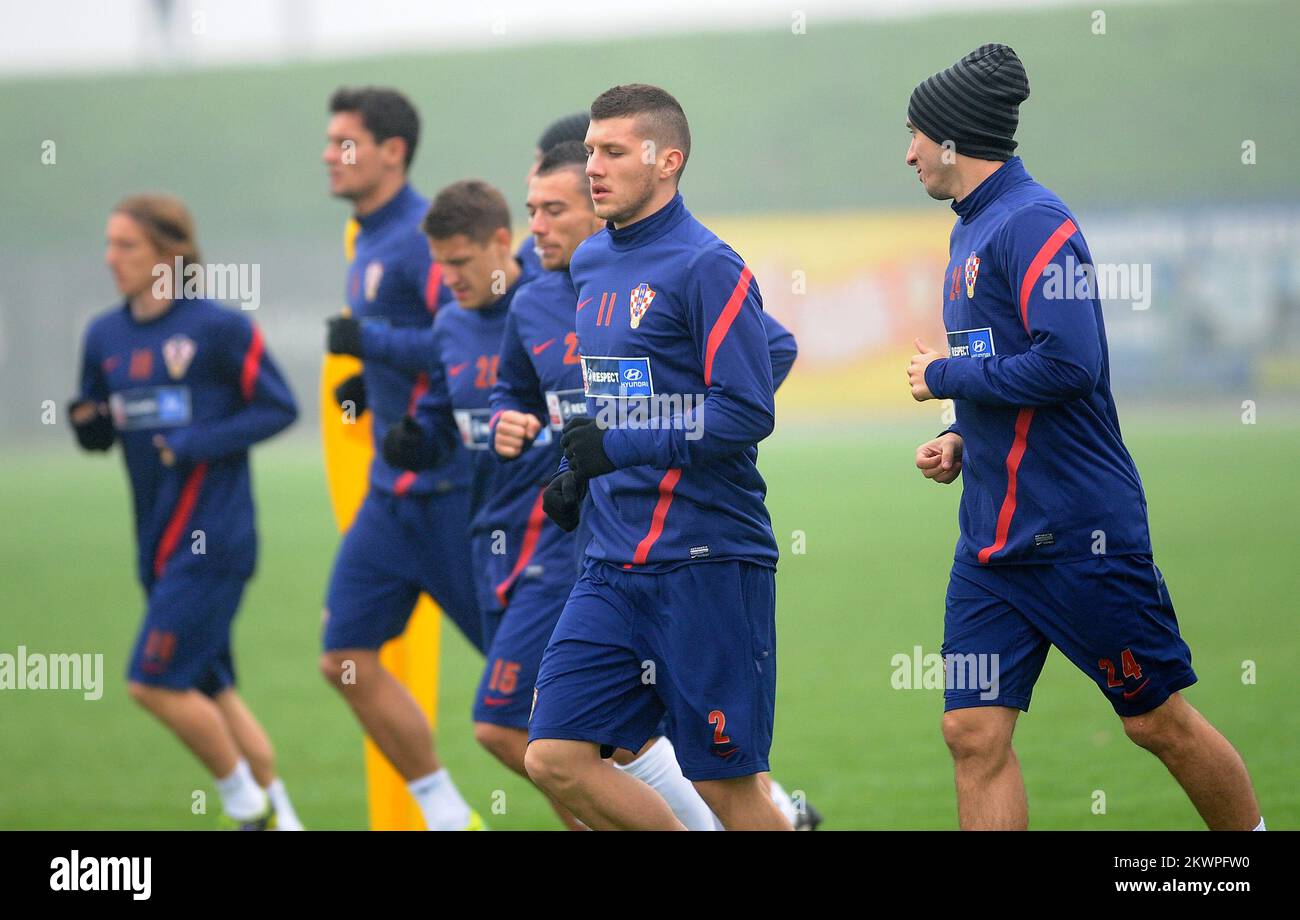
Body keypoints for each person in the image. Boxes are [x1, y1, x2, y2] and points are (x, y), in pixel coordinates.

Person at [903, 44, 1263, 830]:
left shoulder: (1032, 223)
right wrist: (962, 435)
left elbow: (1069, 364)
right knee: (970, 731)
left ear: (954, 140)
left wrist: (945, 381)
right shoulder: (970, 231)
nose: (909, 154)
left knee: (1154, 721)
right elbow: (1000, 366)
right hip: (993, 547)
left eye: (916, 136)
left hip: (1076, 533)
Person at [523, 84, 791, 830]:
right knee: (553, 758)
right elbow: (620, 397)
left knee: (729, 788)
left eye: (612, 152)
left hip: (704, 559)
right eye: (589, 152)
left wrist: (621, 447)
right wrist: (581, 473)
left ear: (667, 160)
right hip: (610, 564)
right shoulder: (591, 263)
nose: (594, 168)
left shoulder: (708, 265)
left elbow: (745, 409)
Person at [70, 193, 302, 830]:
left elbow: (279, 407)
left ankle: (246, 807)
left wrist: (200, 441)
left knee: (153, 681)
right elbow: (99, 425)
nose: (110, 258)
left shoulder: (218, 328)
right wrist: (86, 423)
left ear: (170, 254)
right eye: (109, 244)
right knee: (210, 688)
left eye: (127, 246)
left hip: (214, 540)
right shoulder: (104, 335)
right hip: (155, 541)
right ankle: (284, 817)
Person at [318, 86, 483, 831]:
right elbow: (411, 348)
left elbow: (465, 345)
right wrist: (368, 384)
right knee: (344, 656)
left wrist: (373, 347)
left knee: (551, 694)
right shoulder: (367, 240)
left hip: (455, 494)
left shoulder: (421, 236)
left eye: (345, 142)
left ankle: (706, 804)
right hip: (392, 500)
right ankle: (447, 816)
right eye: (329, 141)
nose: (330, 154)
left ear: (392, 151)